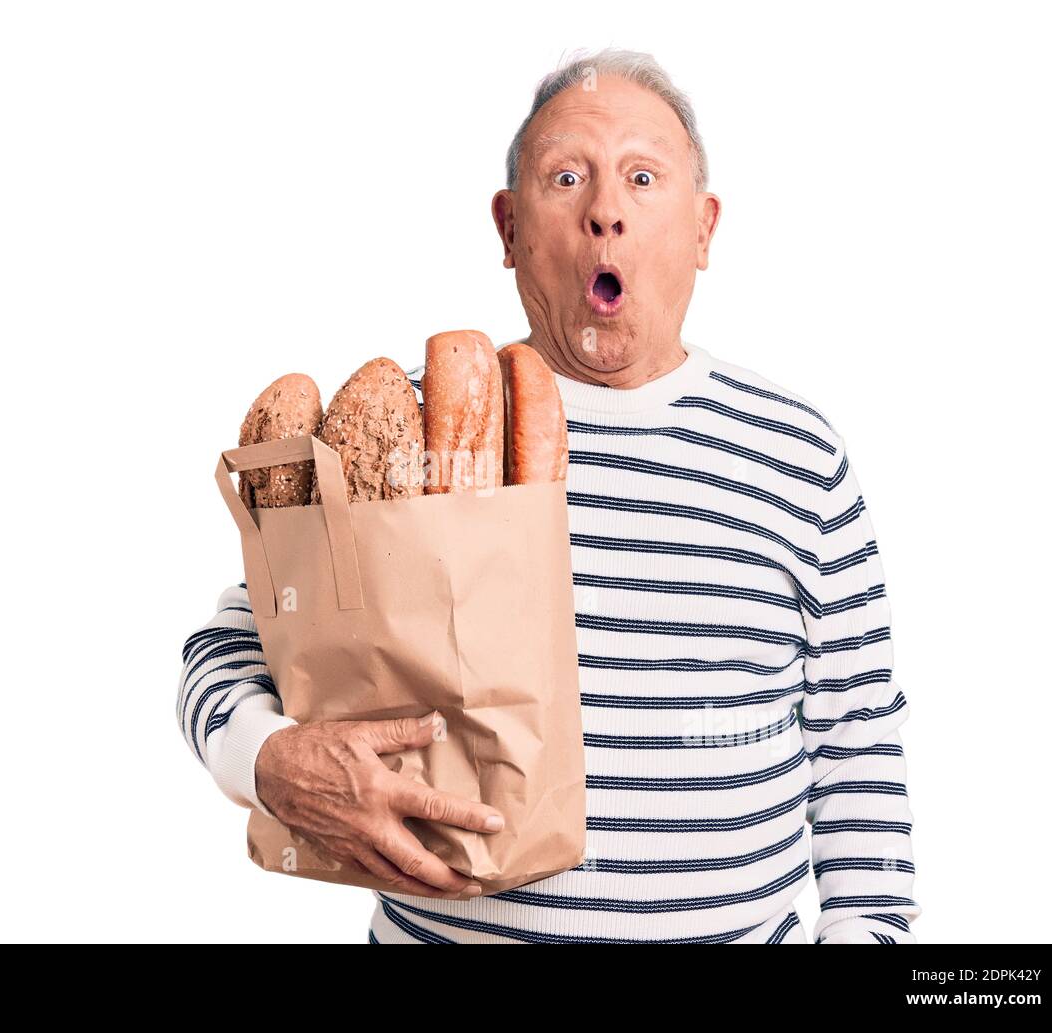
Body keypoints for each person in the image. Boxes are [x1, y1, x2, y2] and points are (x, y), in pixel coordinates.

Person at [177, 47, 920, 944]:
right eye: (566, 177)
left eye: (643, 178)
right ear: (509, 227)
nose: (605, 211)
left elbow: (859, 738)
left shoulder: (797, 454)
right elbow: (231, 638)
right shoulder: (408, 428)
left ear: (703, 229)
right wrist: (264, 757)